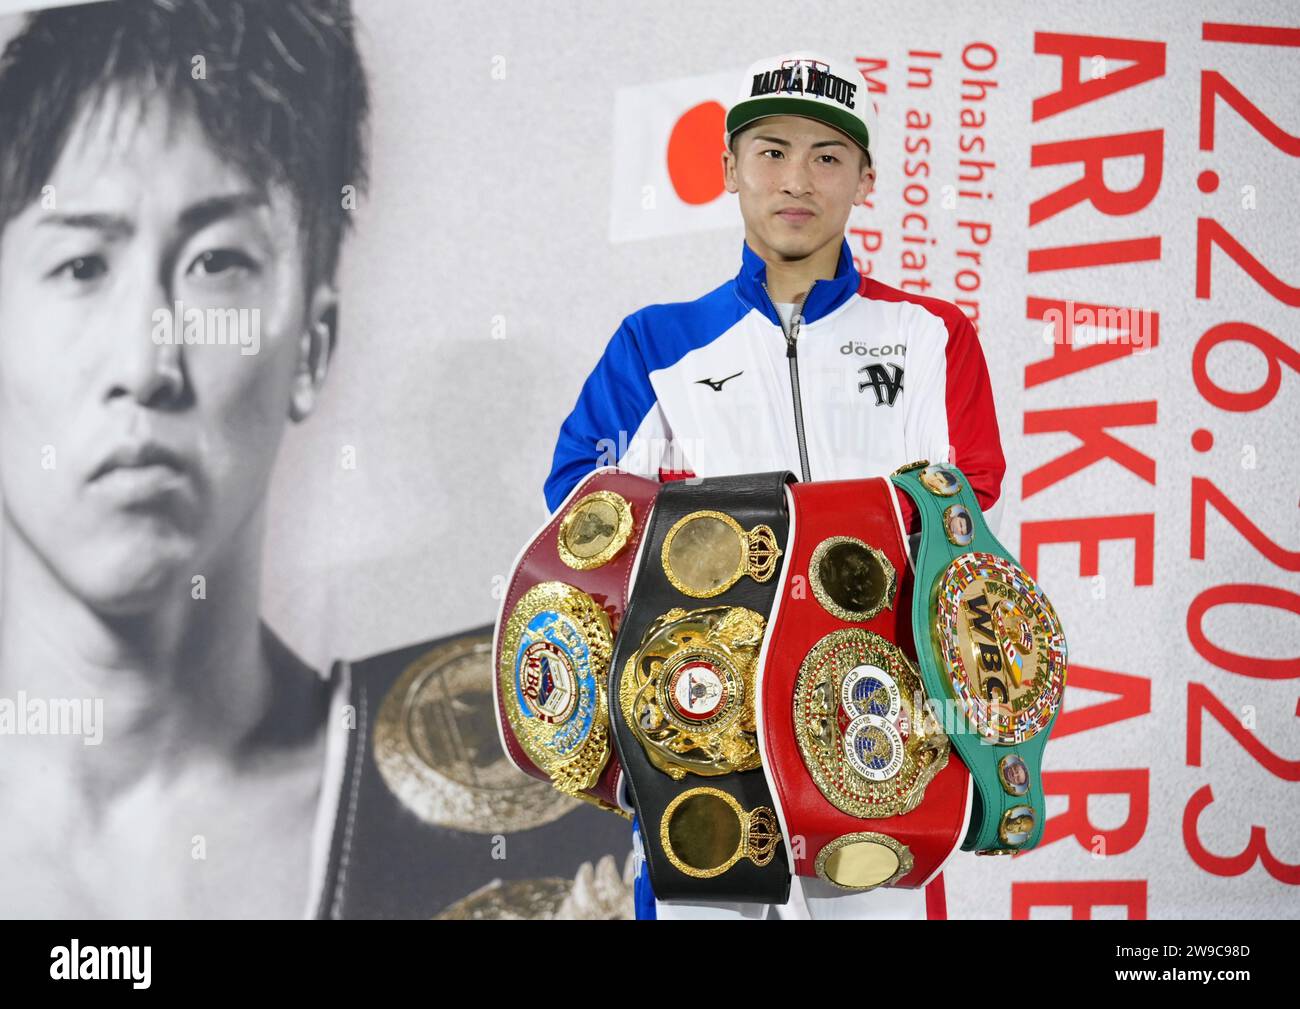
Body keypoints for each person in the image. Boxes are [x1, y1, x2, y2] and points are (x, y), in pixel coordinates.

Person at [0, 0, 630, 919]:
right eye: (82, 267)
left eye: (216, 262)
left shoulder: (542, 804)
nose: (145, 364)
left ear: (312, 344)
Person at [544, 51, 1008, 920]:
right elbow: (581, 503)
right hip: (700, 719)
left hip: (878, 719)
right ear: (728, 169)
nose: (798, 179)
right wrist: (708, 537)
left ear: (866, 178)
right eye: (770, 151)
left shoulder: (932, 337)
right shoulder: (655, 344)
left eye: (828, 156)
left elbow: (969, 496)